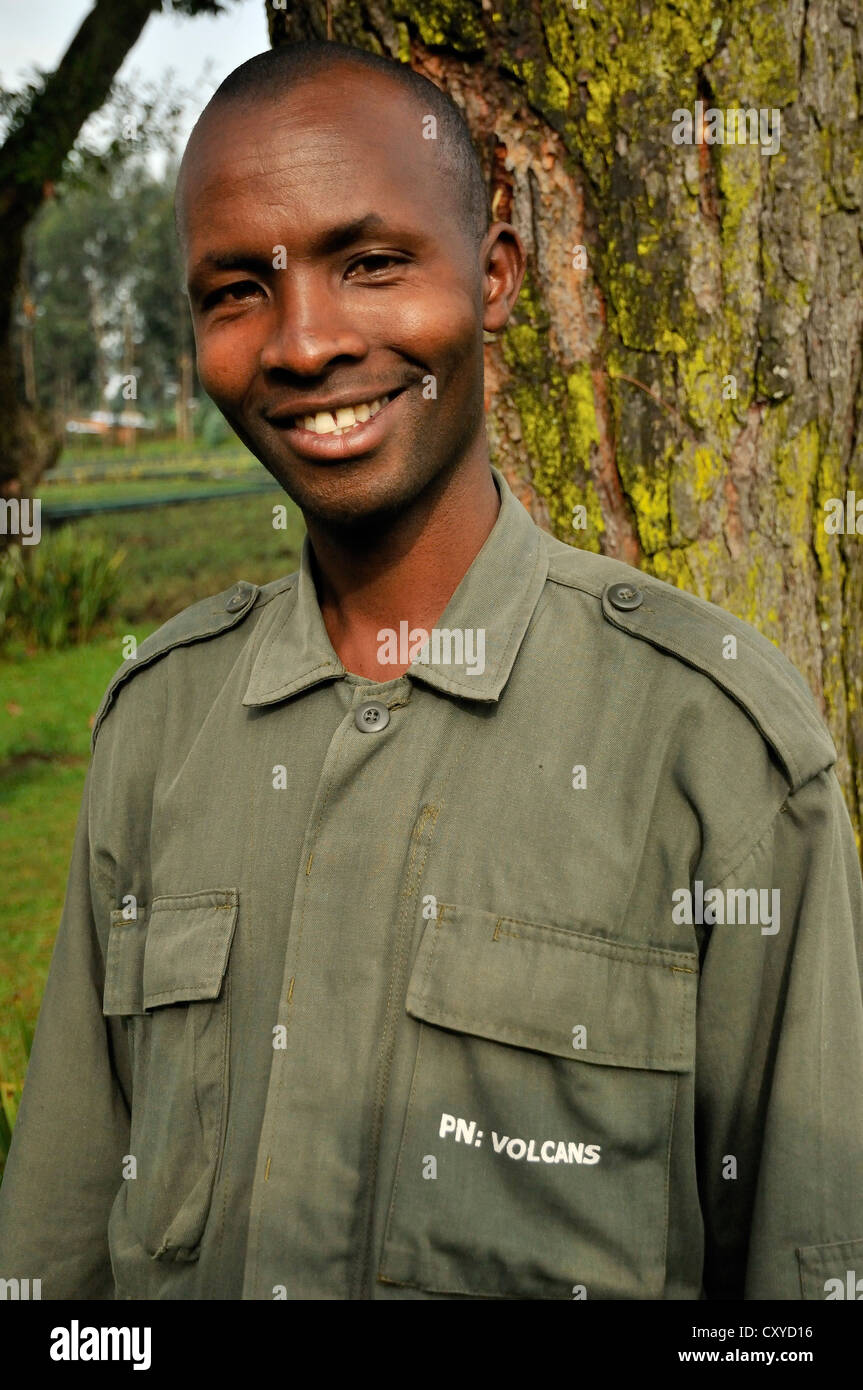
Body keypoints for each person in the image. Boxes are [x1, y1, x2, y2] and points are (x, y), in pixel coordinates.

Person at [1, 39, 861, 1302]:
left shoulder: (713, 748)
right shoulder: (158, 724)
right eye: (237, 289)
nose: (302, 344)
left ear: (495, 274)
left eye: (370, 264)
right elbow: (60, 1268)